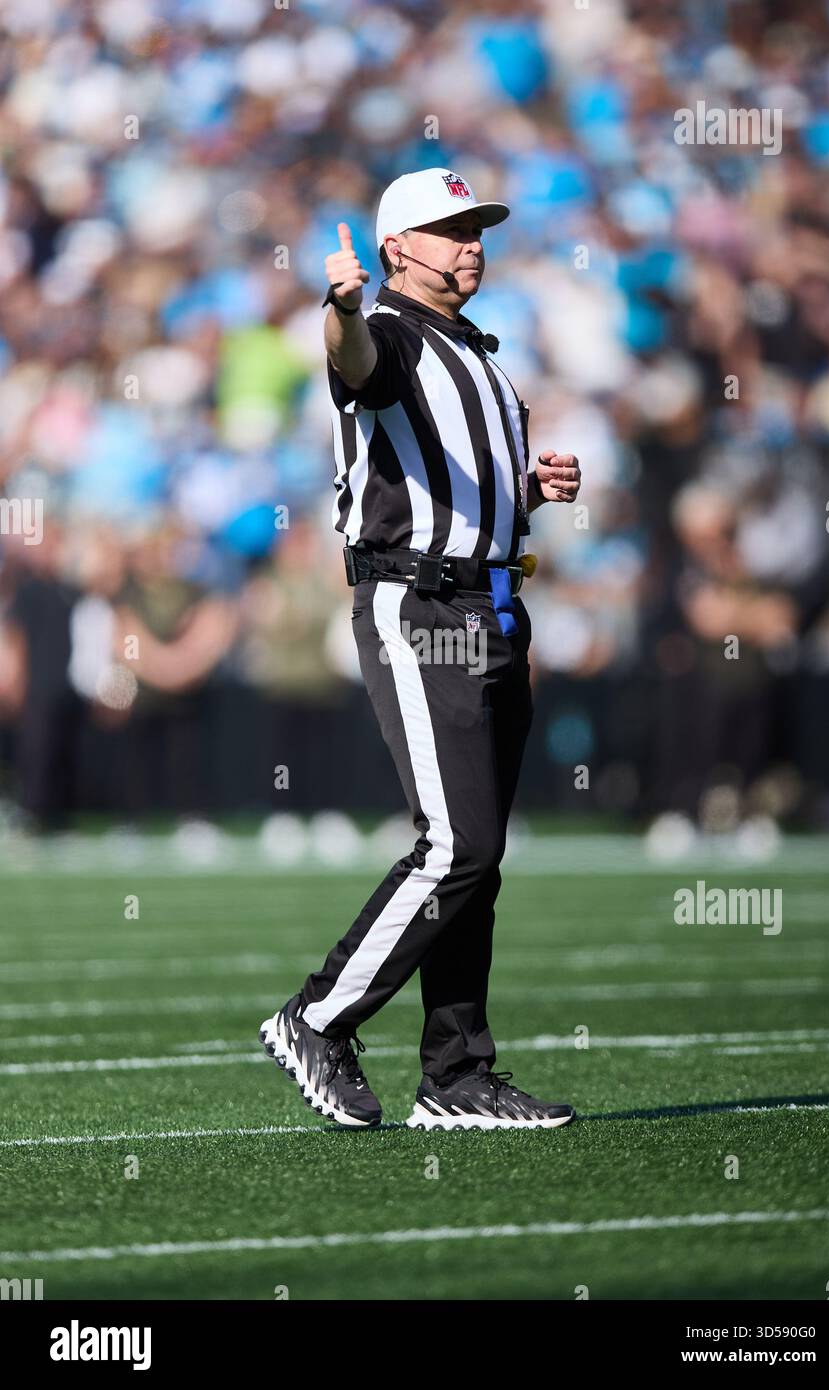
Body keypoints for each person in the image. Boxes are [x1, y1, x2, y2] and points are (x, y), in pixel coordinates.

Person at [260, 169, 581, 1129]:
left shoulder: (479, 351)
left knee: (478, 855)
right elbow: (352, 358)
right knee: (457, 844)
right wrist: (339, 305)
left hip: (491, 606)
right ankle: (317, 1017)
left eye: (477, 226)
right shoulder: (390, 328)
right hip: (421, 605)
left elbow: (460, 484)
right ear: (399, 247)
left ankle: (457, 1075)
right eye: (450, 229)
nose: (471, 242)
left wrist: (533, 485)